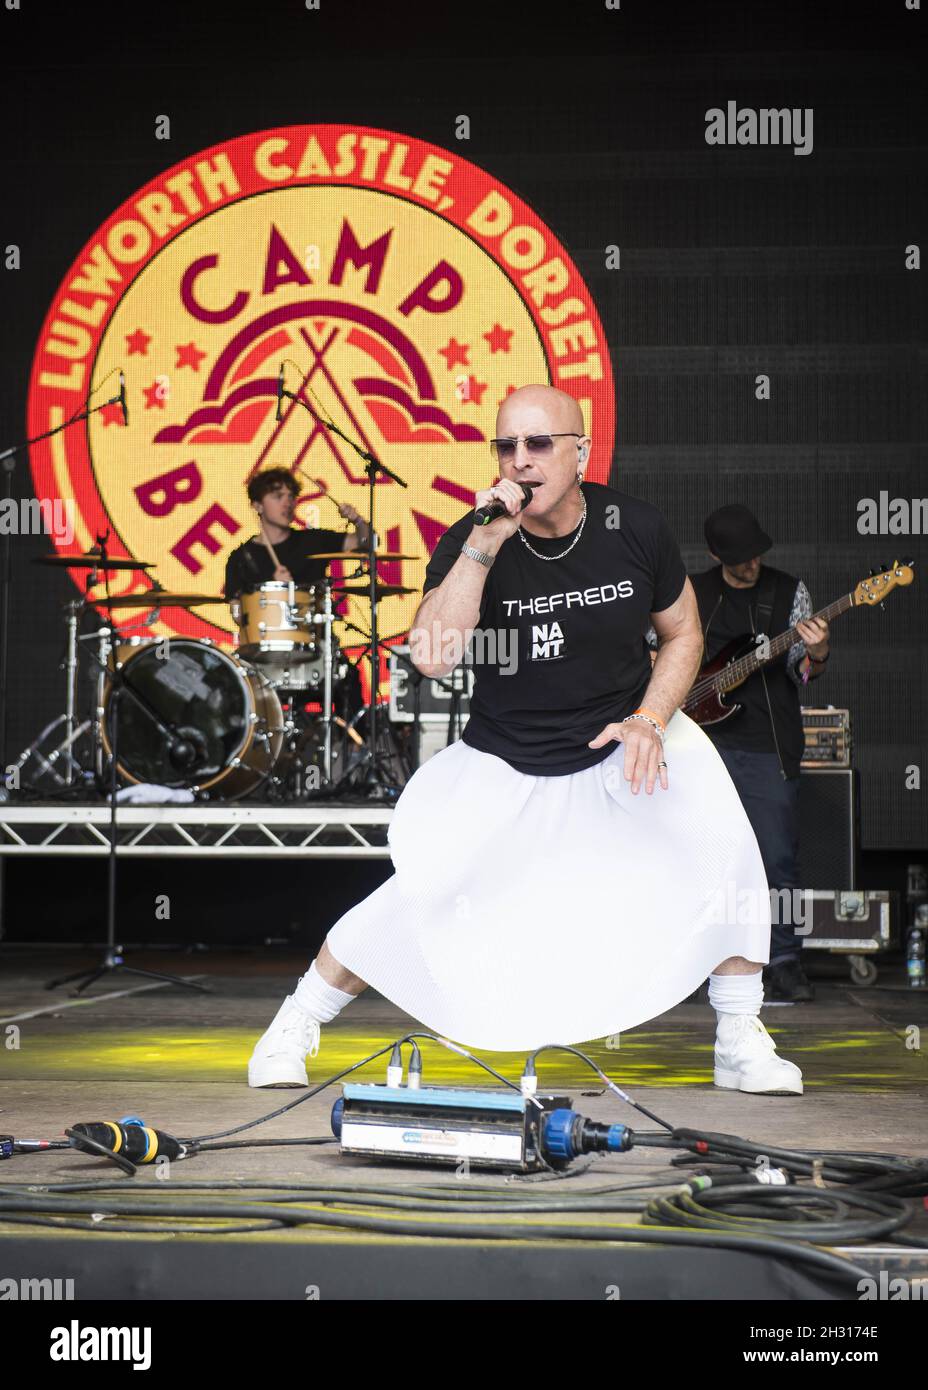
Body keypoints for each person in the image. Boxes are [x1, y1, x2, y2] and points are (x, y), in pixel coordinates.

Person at [247, 386, 803, 1096]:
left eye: (539, 444)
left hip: (617, 744)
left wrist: (651, 718)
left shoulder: (634, 527)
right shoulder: (471, 537)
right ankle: (297, 1023)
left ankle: (740, 1037)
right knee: (420, 894)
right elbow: (434, 655)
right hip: (505, 759)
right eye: (506, 446)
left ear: (580, 451)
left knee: (725, 846)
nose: (521, 460)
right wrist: (483, 545)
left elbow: (683, 632)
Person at [689, 506, 830, 1002]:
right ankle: (695, 961)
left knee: (777, 858)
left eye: (755, 555)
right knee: (701, 857)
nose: (750, 565)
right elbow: (654, 651)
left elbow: (801, 674)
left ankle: (785, 960)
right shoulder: (693, 592)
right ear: (714, 555)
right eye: (739, 558)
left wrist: (816, 654)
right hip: (699, 746)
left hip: (768, 745)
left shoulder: (790, 593)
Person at [223, 468, 371, 600]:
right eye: (278, 496)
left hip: (315, 630)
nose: (287, 502)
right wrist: (274, 592)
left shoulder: (314, 541)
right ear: (258, 506)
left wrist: (358, 520)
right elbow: (239, 615)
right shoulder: (241, 558)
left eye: (291, 496)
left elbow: (368, 543)